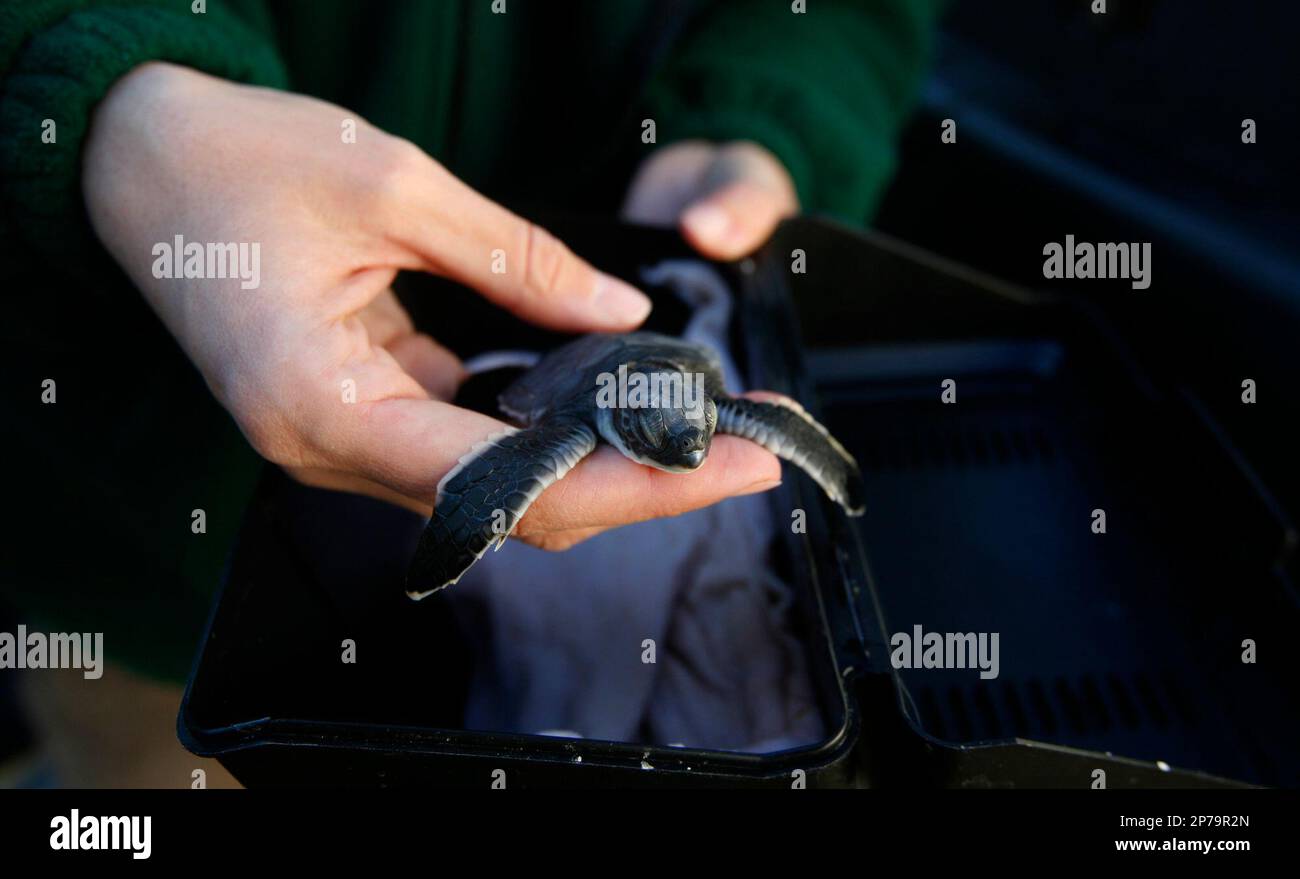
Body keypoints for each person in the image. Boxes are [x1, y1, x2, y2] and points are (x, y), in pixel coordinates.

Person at [1, 0, 943, 786]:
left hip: (612, 236)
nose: (687, 451)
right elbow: (519, 456)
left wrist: (764, 120)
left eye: (685, 440)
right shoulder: (575, 421)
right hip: (133, 551)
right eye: (669, 443)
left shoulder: (698, 412)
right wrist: (123, 115)